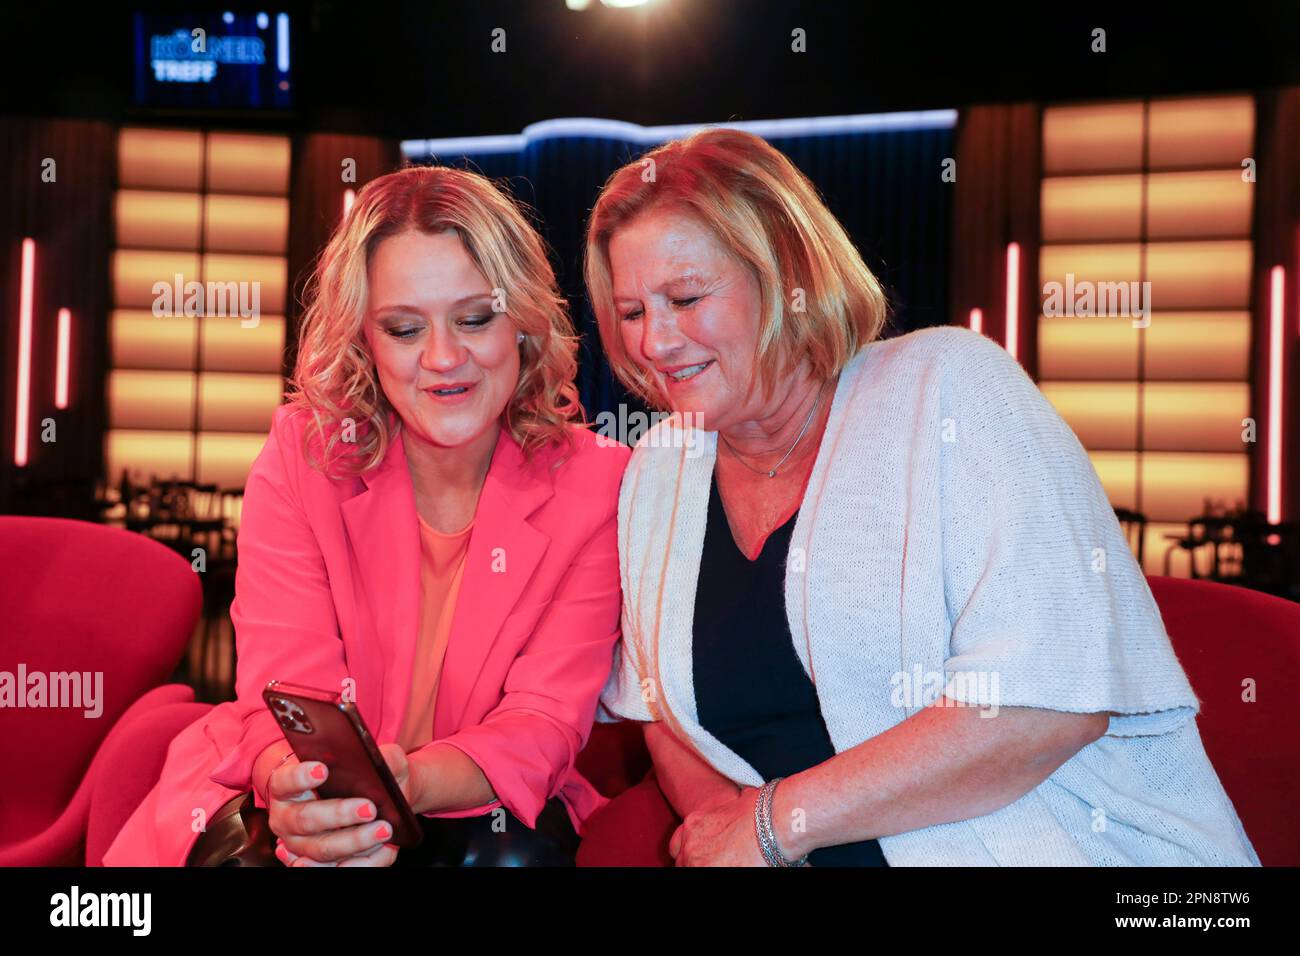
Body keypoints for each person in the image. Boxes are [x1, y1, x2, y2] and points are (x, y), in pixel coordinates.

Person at [585, 127, 1260, 866]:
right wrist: (728, 835)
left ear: (786, 277)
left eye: (685, 298)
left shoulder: (951, 386)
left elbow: (1045, 705)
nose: (654, 342)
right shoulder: (659, 468)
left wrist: (777, 825)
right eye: (632, 312)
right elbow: (658, 711)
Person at [106, 164, 630, 867]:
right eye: (404, 329)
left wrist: (400, 784)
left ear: (524, 322)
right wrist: (303, 796)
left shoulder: (598, 482)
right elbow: (288, 693)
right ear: (365, 340)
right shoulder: (304, 456)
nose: (444, 358)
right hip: (294, 779)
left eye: (475, 319)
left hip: (480, 797)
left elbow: (541, 723)